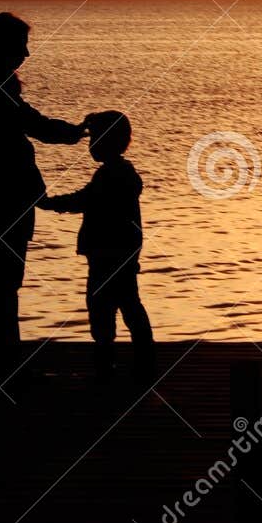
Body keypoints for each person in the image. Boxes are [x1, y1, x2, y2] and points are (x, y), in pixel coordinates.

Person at [0, 11, 85, 355]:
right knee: (2, 274)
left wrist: (67, 132)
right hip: (3, 189)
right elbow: (27, 123)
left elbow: (25, 121)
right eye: (22, 45)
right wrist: (70, 132)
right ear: (2, 46)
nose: (27, 54)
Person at [37, 110, 155, 380]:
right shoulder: (119, 174)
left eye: (94, 139)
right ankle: (142, 360)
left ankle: (108, 361)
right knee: (127, 302)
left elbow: (84, 200)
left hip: (107, 253)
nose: (90, 146)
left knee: (103, 305)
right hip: (121, 251)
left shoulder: (109, 177)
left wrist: (49, 203)